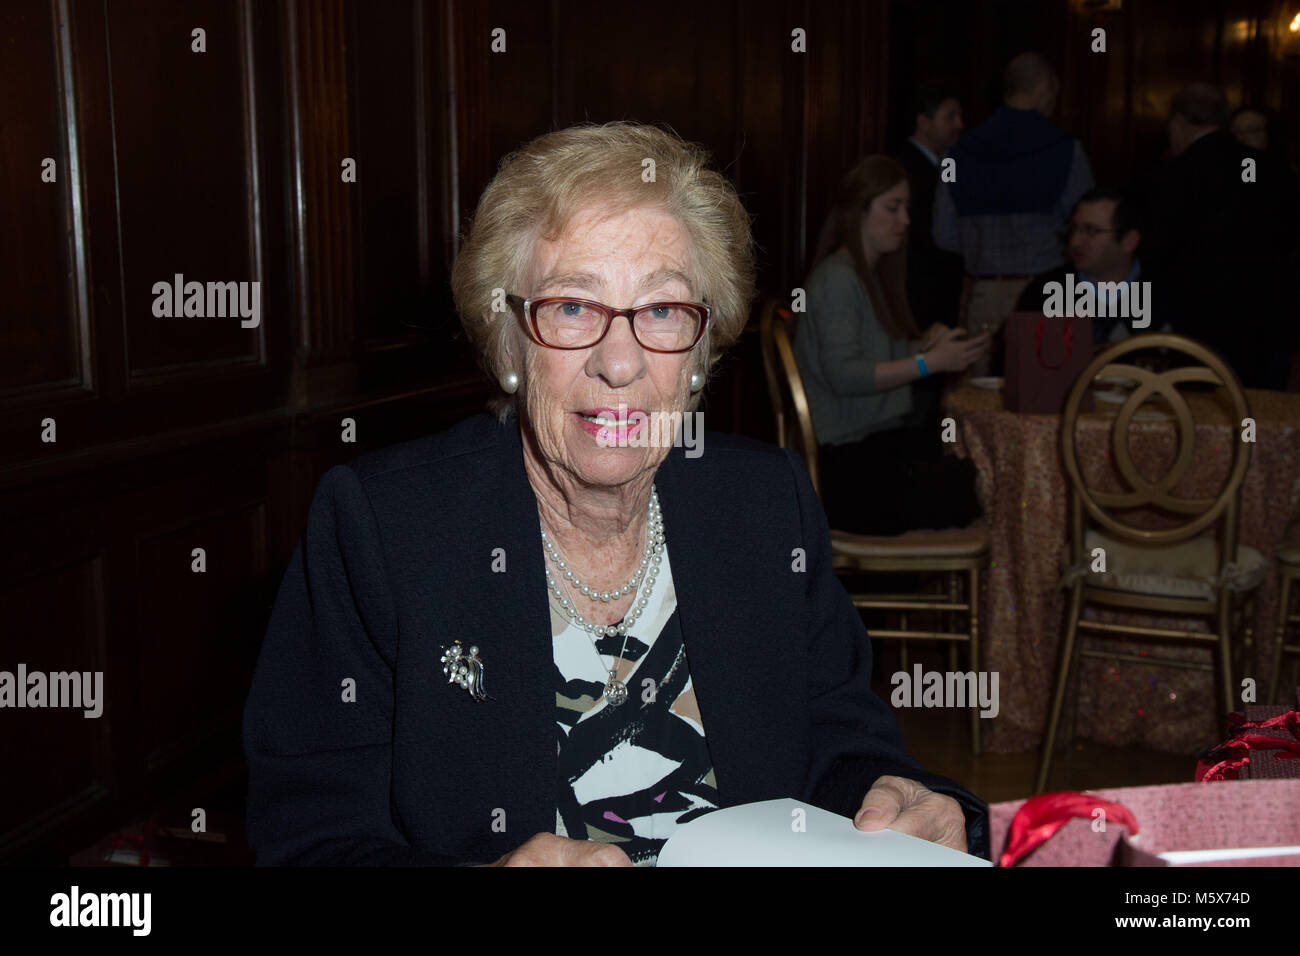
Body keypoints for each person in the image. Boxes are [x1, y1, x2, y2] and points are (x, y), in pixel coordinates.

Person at [243, 122, 990, 867]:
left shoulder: (765, 504)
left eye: (663, 311)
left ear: (699, 353)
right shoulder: (384, 528)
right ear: (510, 343)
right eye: (573, 307)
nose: (621, 361)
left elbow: (838, 739)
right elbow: (310, 839)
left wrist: (896, 796)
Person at [793, 155, 990, 537]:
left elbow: (869, 362)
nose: (905, 220)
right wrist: (927, 363)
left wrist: (925, 347)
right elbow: (845, 375)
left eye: (907, 208)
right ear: (858, 211)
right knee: (976, 483)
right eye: (893, 207)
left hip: (868, 449)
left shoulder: (864, 275)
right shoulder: (837, 280)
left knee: (967, 469)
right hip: (847, 469)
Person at [934, 52, 1094, 376]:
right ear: (1044, 88)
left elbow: (943, 233)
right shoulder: (1066, 149)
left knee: (977, 401)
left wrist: (983, 251)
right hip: (1045, 293)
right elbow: (1088, 230)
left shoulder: (958, 154)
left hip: (982, 293)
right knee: (1046, 396)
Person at [1143, 84, 1300, 389]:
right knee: (1258, 420)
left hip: (1195, 328)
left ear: (1178, 122)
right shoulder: (1270, 167)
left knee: (1198, 419)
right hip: (1265, 323)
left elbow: (1156, 254)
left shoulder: (1171, 176)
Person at [1016, 186, 1171, 347]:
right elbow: (1020, 367)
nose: (1075, 241)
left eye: (1091, 231)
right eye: (1074, 228)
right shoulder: (1043, 293)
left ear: (1129, 241)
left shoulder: (1171, 294)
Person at [897, 82, 966, 430]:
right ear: (924, 121)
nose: (959, 124)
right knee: (917, 403)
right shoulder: (906, 167)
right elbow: (928, 240)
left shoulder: (944, 166)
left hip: (934, 297)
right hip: (916, 298)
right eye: (950, 115)